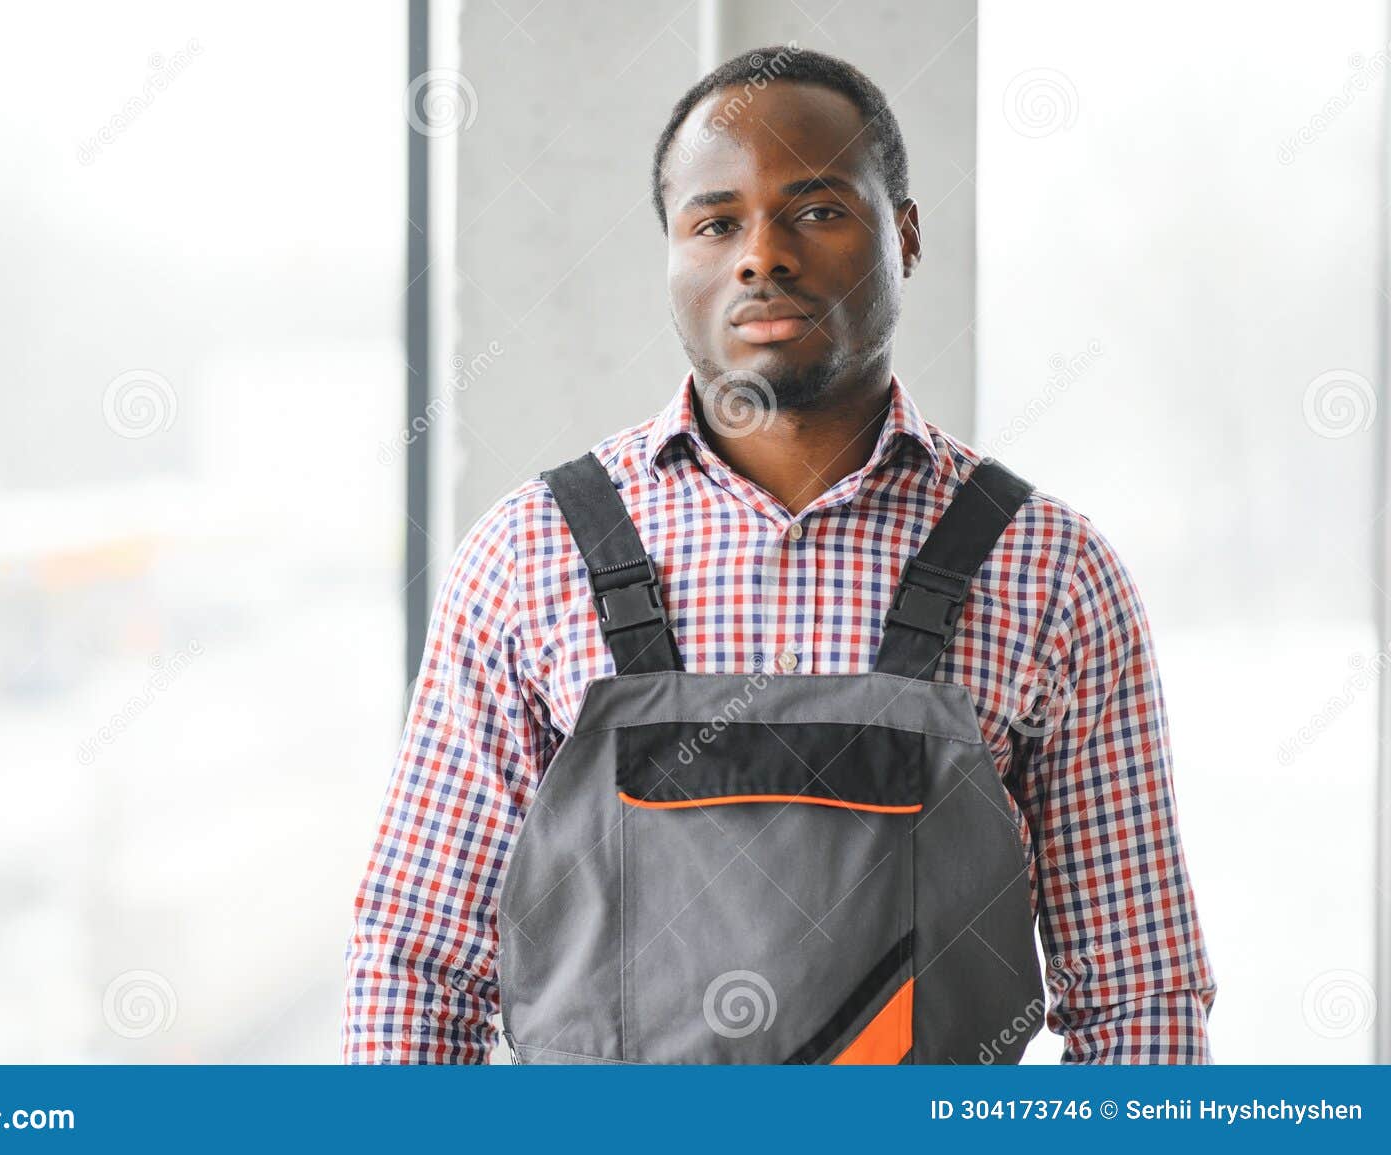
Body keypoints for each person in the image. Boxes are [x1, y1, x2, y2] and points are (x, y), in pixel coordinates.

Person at [342, 45, 1216, 1064]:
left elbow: (1135, 993)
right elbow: (420, 963)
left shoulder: (1048, 568)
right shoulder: (529, 556)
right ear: (671, 256)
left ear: (906, 236)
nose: (761, 255)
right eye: (716, 222)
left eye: (815, 211)